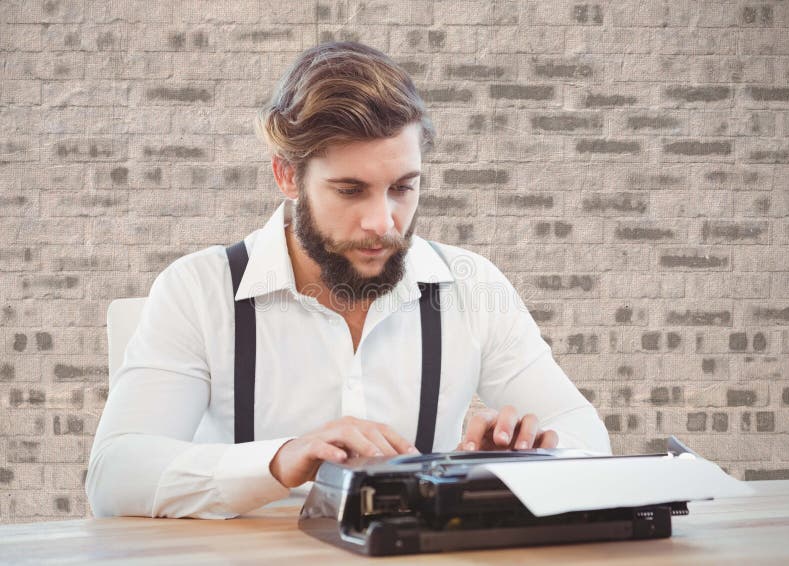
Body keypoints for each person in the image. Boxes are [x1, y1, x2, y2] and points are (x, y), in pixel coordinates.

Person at [86, 41, 611, 519]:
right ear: (287, 176)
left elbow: (586, 436)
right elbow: (115, 475)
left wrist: (524, 463)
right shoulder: (197, 291)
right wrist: (280, 459)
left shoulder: (472, 289)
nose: (383, 222)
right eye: (350, 190)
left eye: (403, 188)